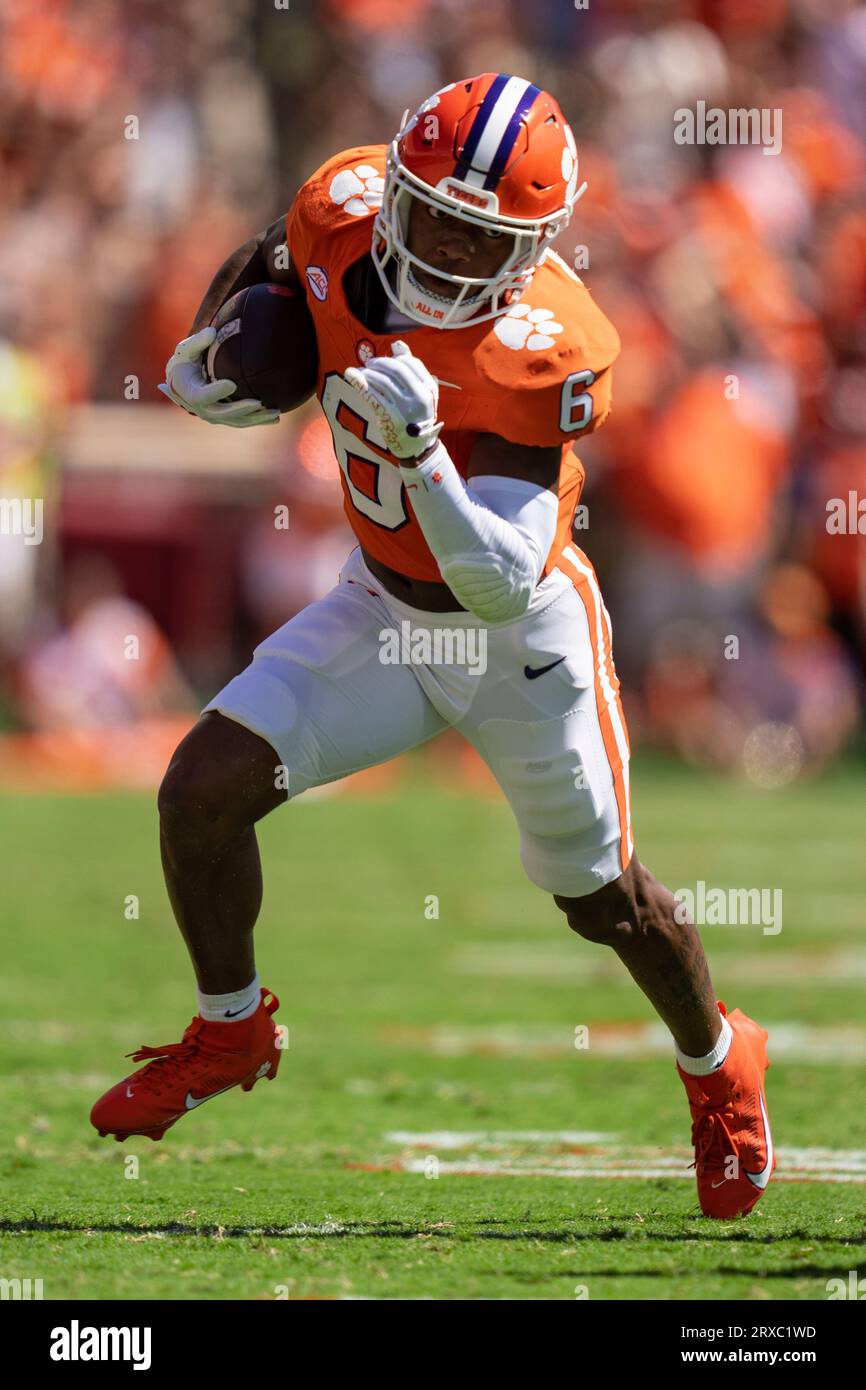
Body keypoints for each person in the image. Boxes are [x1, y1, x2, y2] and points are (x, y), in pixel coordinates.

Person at [91, 74, 774, 1219]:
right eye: (433, 212)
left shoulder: (555, 344)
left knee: (602, 897)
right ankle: (230, 1027)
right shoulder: (345, 199)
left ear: (536, 245)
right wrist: (215, 343)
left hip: (520, 636)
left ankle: (717, 1061)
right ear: (395, 184)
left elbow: (497, 580)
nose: (446, 245)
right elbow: (278, 254)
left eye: (479, 233)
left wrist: (420, 456)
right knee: (199, 787)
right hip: (382, 608)